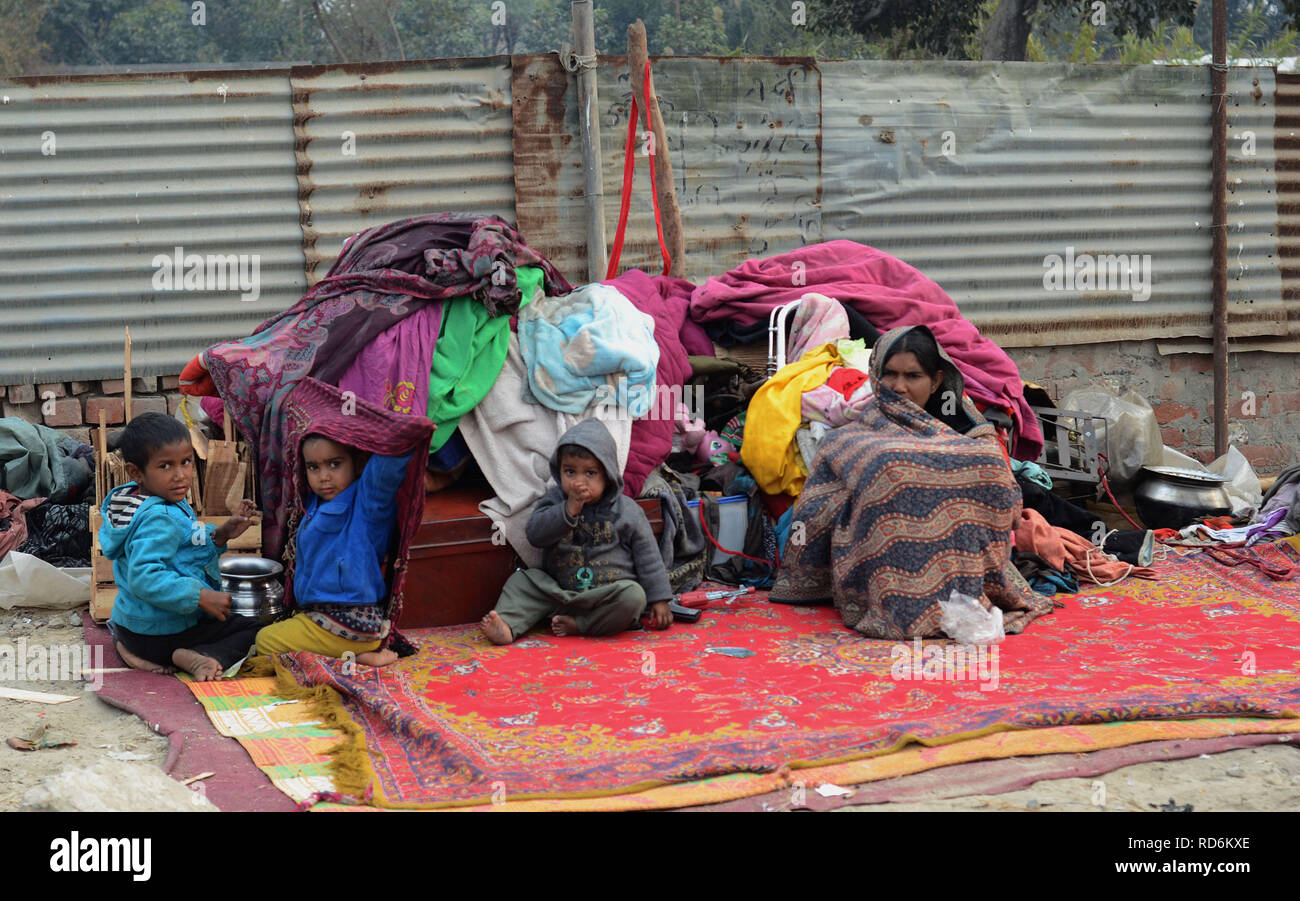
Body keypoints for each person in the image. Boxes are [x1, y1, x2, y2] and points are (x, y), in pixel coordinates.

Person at [771, 325, 1054, 639]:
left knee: (985, 463)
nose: (899, 387)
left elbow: (1002, 492)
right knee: (890, 467)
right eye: (890, 375)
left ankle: (968, 592)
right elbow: (816, 509)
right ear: (875, 376)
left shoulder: (966, 431)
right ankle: (902, 603)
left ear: (936, 381)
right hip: (878, 583)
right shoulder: (850, 438)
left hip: (966, 578)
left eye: (913, 376)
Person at [480, 419, 673, 644]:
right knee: (522, 580)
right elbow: (535, 536)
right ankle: (507, 624)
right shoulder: (554, 501)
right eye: (570, 471)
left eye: (590, 473)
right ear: (559, 470)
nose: (578, 482)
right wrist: (567, 510)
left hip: (604, 597)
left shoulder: (627, 510)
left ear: (607, 475)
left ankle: (581, 624)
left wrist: (660, 599)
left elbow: (649, 558)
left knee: (634, 596)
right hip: (558, 593)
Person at [100, 412, 259, 681]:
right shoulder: (159, 518)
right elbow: (144, 577)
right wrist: (199, 596)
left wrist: (221, 534)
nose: (180, 475)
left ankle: (126, 647)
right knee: (252, 630)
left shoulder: (137, 501)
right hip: (164, 631)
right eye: (165, 466)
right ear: (136, 472)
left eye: (185, 462)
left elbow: (185, 543)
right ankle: (197, 656)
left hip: (132, 627)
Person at [254, 435, 410, 667]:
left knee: (264, 642)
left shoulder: (367, 506)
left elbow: (384, 473)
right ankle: (350, 655)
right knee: (262, 630)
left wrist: (401, 436)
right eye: (313, 467)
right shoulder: (313, 503)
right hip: (322, 618)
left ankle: (351, 656)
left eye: (334, 464)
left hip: (349, 622)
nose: (324, 476)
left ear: (357, 463)